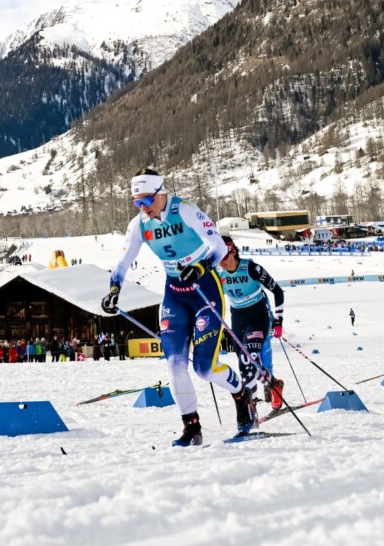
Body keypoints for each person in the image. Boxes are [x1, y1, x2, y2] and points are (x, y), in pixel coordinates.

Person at [101, 168, 249, 446]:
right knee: (174, 364)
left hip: (205, 291)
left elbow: (217, 246)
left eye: (146, 200)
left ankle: (241, 394)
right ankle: (191, 427)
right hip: (175, 295)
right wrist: (114, 288)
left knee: (205, 369)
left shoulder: (186, 211)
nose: (142, 207)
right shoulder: (139, 225)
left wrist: (201, 266)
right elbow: (122, 261)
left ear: (161, 193)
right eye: (137, 202)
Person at [218, 235, 285, 412]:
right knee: (245, 368)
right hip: (238, 321)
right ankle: (274, 384)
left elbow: (277, 291)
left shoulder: (251, 268)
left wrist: (278, 320)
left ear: (232, 252)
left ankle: (251, 409)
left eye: (223, 257)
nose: (221, 262)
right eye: (217, 258)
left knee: (249, 360)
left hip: (258, 319)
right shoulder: (218, 273)